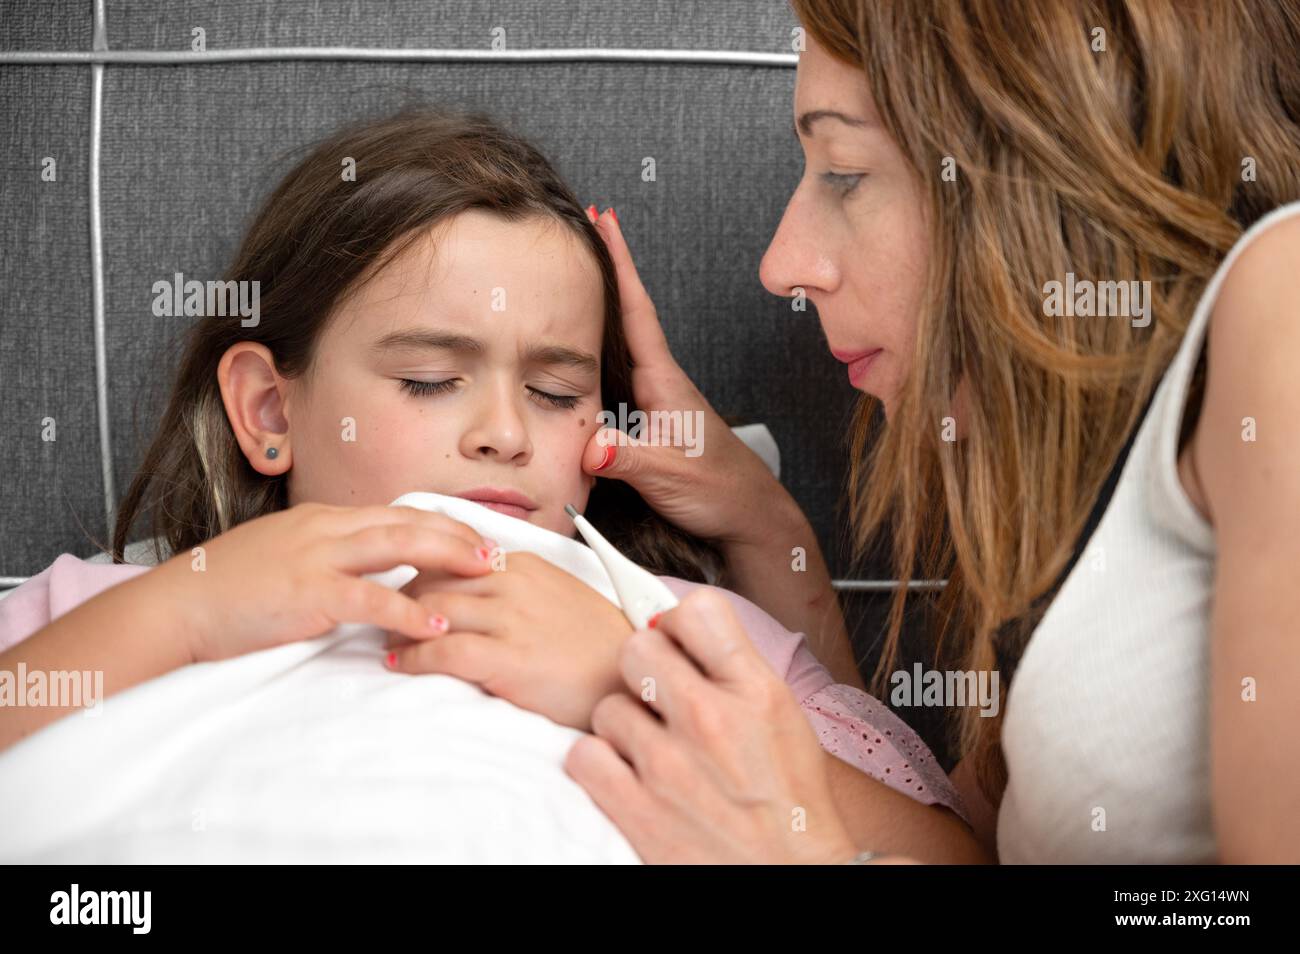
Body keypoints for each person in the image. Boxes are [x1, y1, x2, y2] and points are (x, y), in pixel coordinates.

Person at [562, 0, 1300, 863]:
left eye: (843, 172)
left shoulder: (1279, 305)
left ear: (1040, 164)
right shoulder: (1053, 493)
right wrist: (761, 521)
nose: (783, 265)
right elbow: (957, 849)